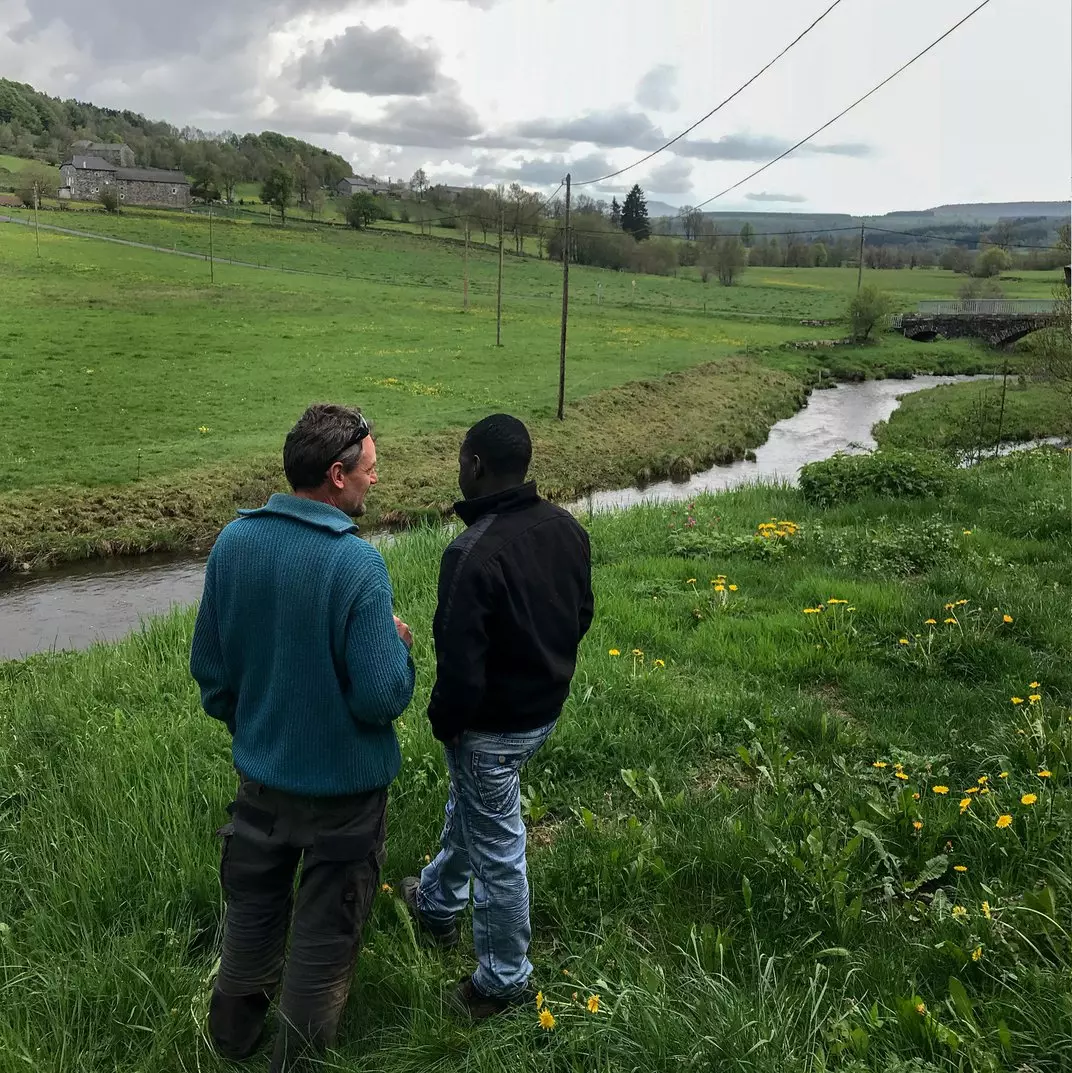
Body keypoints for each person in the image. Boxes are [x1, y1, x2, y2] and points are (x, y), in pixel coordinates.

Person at [190, 403, 415, 1072]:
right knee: (323, 940)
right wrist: (400, 648)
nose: (377, 481)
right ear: (338, 475)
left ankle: (231, 1043)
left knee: (253, 920)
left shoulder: (234, 542)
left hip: (259, 783)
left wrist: (256, 728)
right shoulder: (356, 565)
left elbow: (212, 672)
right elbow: (379, 696)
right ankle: (296, 1063)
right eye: (371, 470)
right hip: (343, 799)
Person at [400, 414, 593, 1019]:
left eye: (461, 457)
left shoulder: (469, 553)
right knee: (480, 807)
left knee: (499, 849)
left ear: (476, 465)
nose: (458, 467)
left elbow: (459, 666)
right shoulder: (565, 527)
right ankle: (435, 903)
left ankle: (504, 980)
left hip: (492, 727)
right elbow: (582, 613)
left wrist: (445, 722)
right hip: (543, 711)